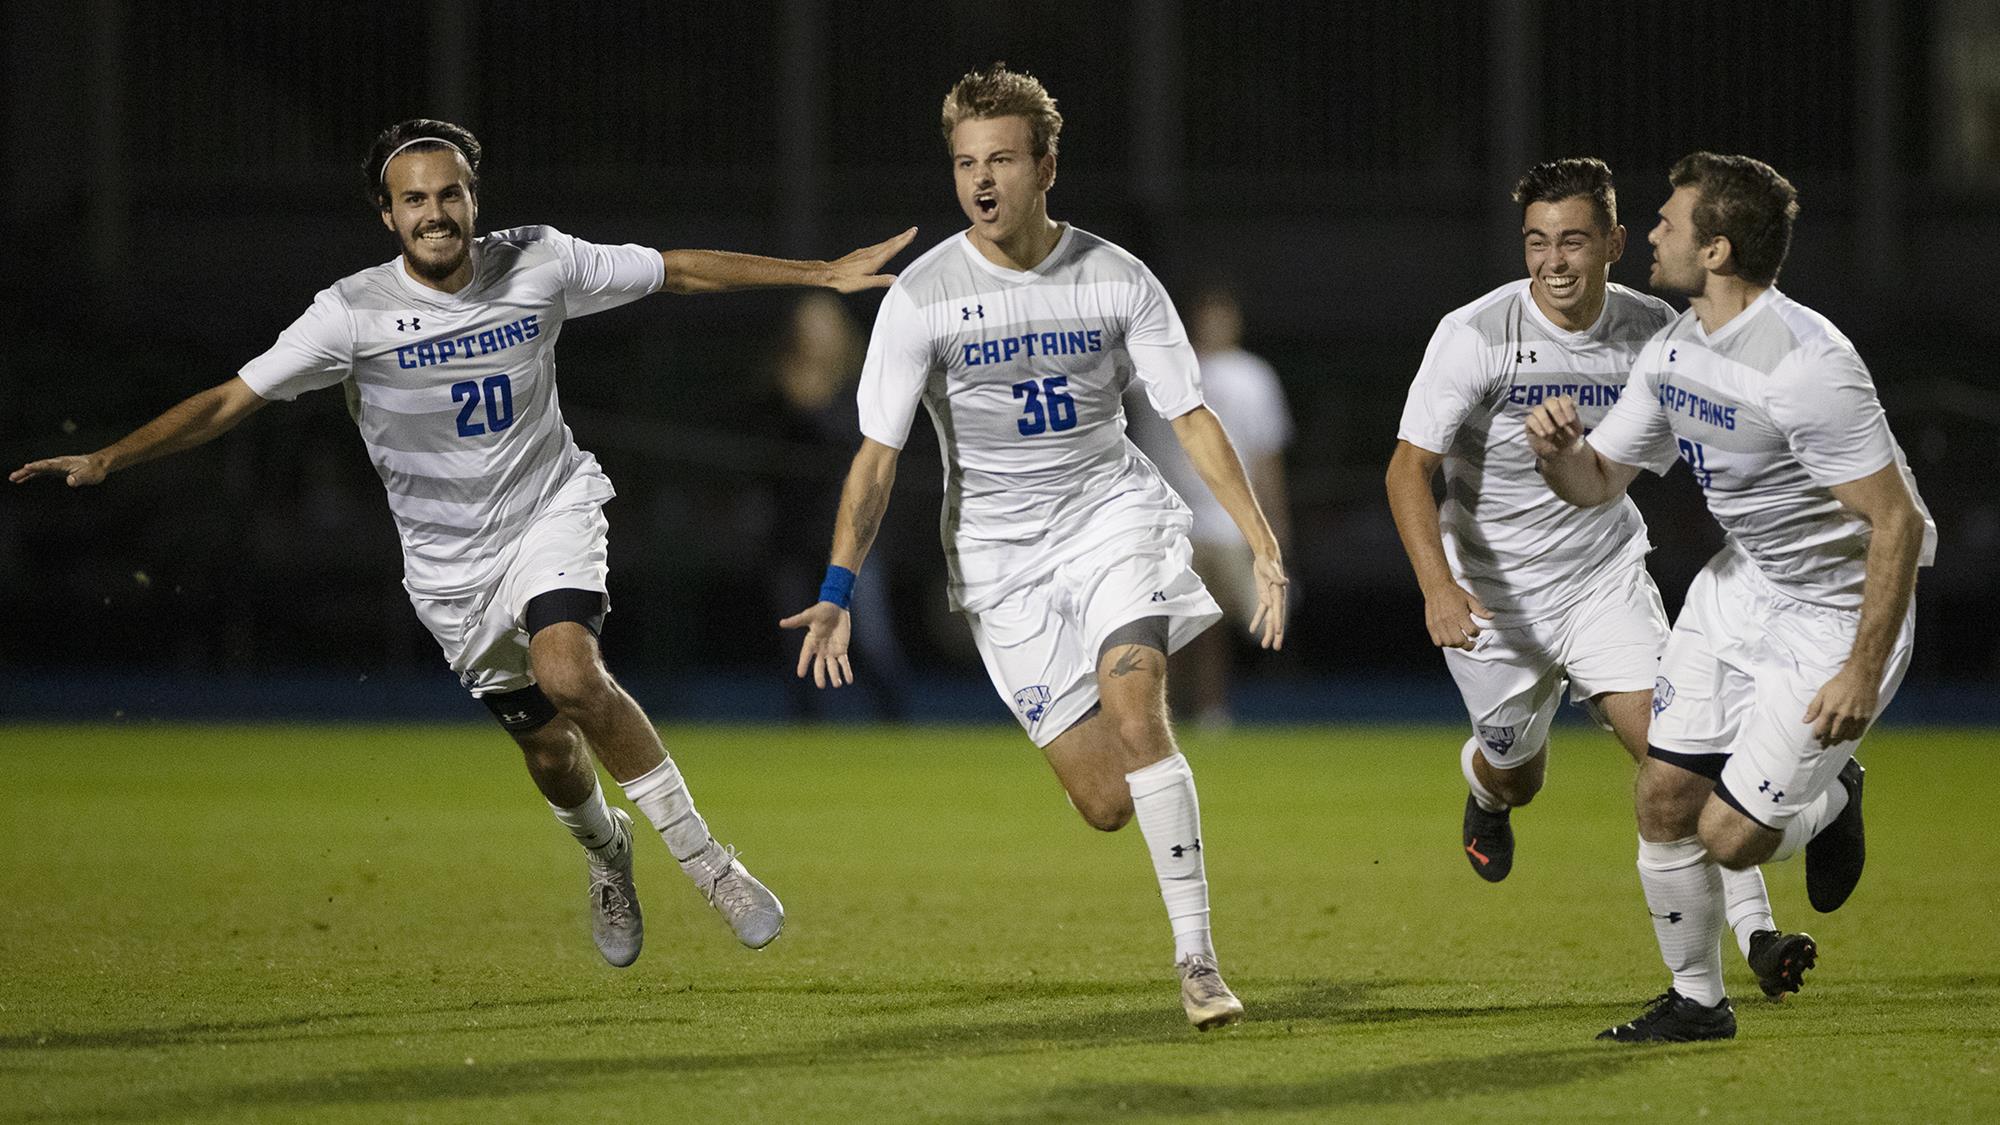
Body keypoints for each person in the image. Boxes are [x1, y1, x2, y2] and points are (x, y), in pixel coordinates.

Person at [11, 118, 916, 970]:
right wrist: (110, 455)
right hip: (450, 571)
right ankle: (608, 855)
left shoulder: (539, 259)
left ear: (473, 199)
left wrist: (822, 272)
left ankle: (711, 862)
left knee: (571, 671)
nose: (434, 213)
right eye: (414, 200)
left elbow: (675, 269)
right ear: (387, 213)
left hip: (548, 512)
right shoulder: (350, 313)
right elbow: (230, 400)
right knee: (550, 753)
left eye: (449, 195)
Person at [779, 64, 1288, 1030]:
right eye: (966, 162)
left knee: (1137, 700)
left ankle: (1198, 962)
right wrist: (839, 585)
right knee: (1106, 799)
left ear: (1047, 166)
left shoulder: (1116, 276)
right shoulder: (922, 297)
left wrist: (1260, 539)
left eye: (1002, 160)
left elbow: (1191, 415)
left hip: (1111, 519)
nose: (981, 181)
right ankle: (1120, 773)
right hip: (1000, 562)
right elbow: (876, 460)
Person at [1524, 153, 1935, 1042]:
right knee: (1664, 799)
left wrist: (1861, 674)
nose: (1654, 233)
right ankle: (1698, 1003)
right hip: (1741, 587)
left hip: (1838, 614)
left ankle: (1831, 800)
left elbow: (1895, 525)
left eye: (1669, 222)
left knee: (1729, 837)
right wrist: (1557, 449)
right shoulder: (1675, 346)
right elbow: (1599, 480)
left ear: (1715, 250)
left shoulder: (1806, 366)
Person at [1385, 157, 1813, 1003]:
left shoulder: (1655, 327)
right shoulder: (1475, 331)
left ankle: (1756, 933)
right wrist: (1438, 587)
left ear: (1615, 242)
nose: (1553, 261)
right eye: (1537, 241)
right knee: (1519, 773)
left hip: (1601, 575)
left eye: (1574, 240)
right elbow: (1408, 469)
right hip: (1492, 599)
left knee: (1674, 756)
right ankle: (1486, 787)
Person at [1123, 284, 1293, 730]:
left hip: (1228, 522)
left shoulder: (1254, 376)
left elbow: (1265, 455)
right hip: (1165, 520)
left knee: (1218, 624)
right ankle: (1168, 710)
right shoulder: (1159, 369)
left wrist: (1274, 526)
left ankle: (1212, 708)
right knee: (1169, 622)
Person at [765, 292, 912, 720]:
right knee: (797, 642)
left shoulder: (860, 386)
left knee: (870, 638)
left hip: (850, 537)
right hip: (792, 535)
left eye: (824, 325)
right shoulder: (777, 388)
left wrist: (813, 406)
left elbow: (864, 452)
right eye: (808, 327)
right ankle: (807, 734)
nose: (817, 336)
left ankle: (902, 726)